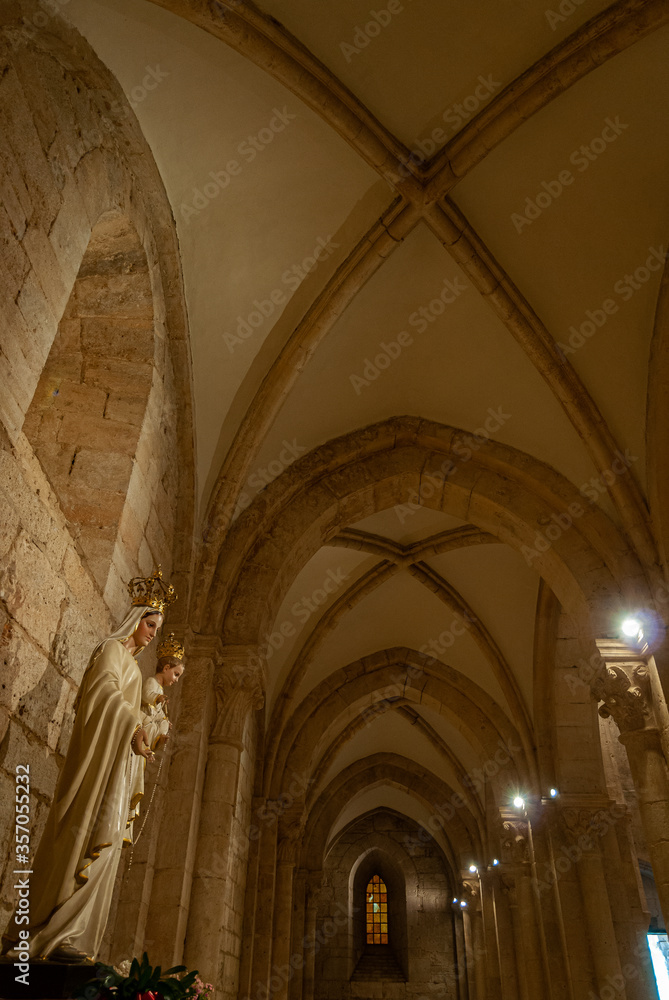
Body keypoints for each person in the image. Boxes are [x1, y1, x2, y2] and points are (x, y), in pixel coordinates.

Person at [1, 568, 176, 963]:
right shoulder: (112, 651)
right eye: (150, 623)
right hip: (97, 767)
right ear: (136, 618)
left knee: (109, 843)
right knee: (85, 838)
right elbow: (101, 696)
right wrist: (132, 724)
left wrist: (150, 727)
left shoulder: (133, 667)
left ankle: (75, 936)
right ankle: (52, 929)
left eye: (156, 627)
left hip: (120, 767)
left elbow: (132, 710)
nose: (152, 633)